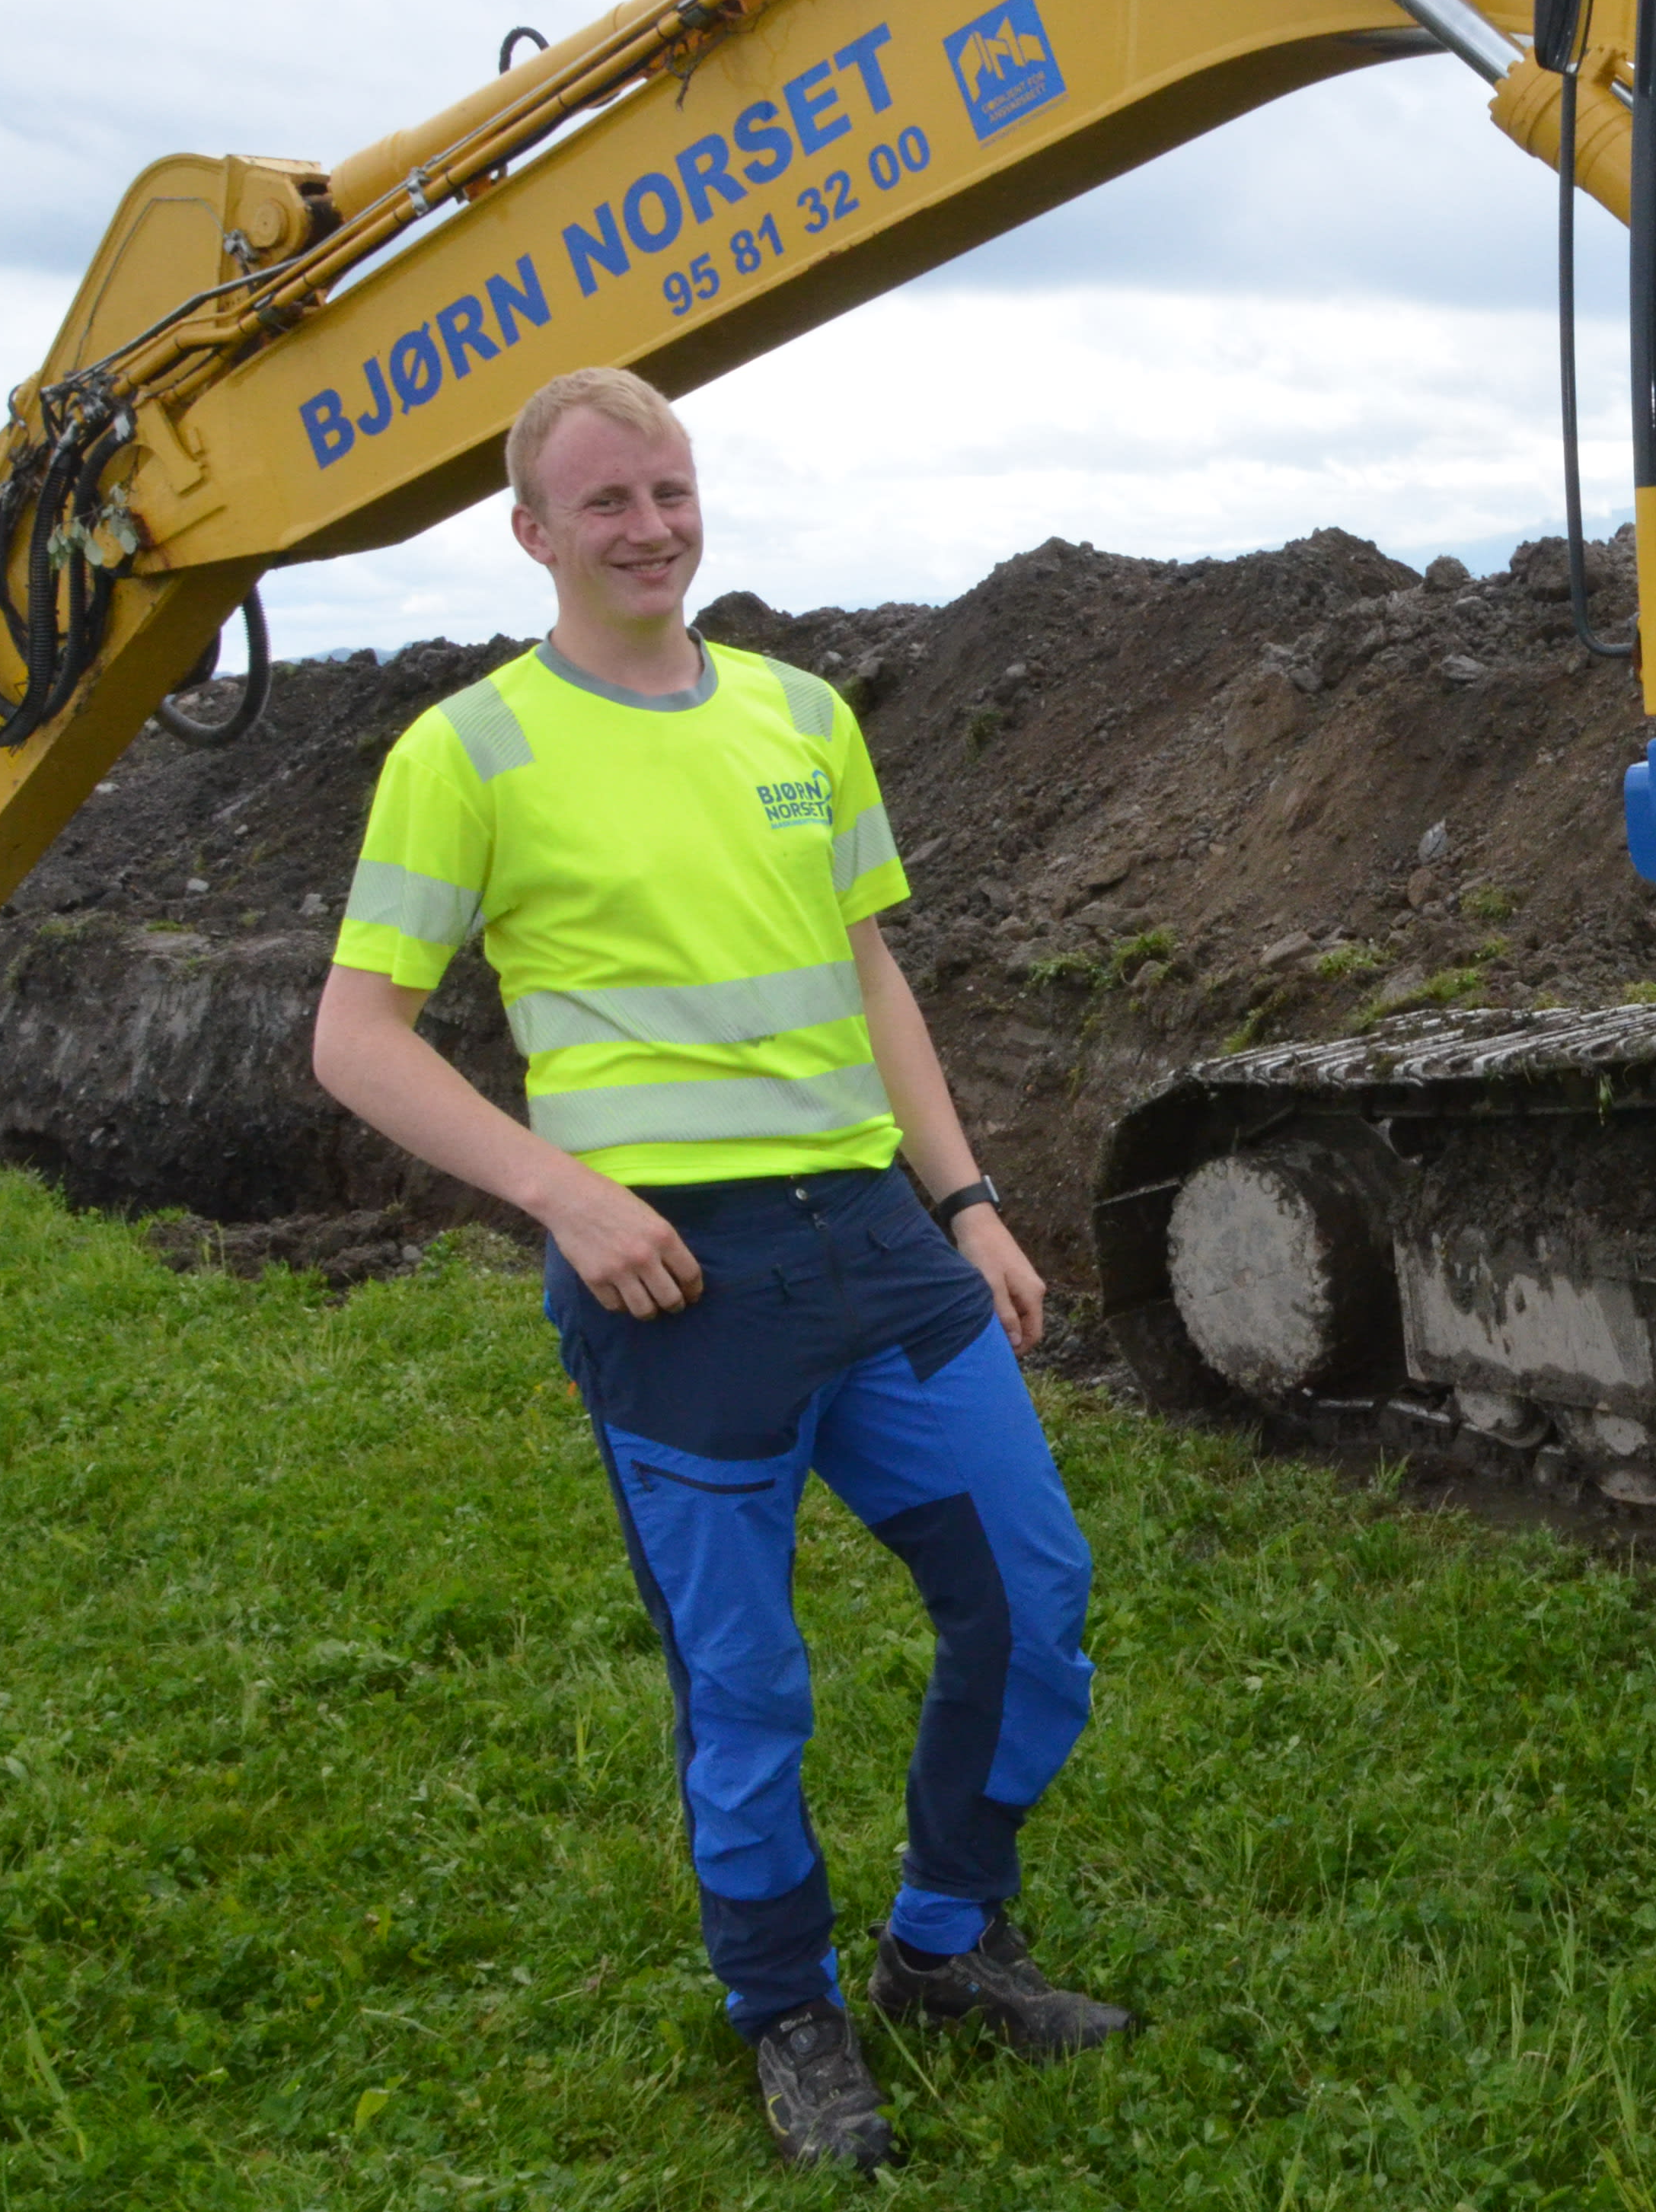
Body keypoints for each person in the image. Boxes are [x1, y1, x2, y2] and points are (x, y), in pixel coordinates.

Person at [310, 367, 1131, 2171]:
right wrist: (564, 1201)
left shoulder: (799, 714)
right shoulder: (468, 750)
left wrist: (972, 1203)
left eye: (670, 490)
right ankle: (787, 2006)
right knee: (747, 1684)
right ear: (533, 533)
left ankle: (944, 1940)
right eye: (606, 501)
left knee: (1037, 1602)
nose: (649, 527)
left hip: (874, 1244)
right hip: (673, 1281)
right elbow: (356, 1036)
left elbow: (872, 978)